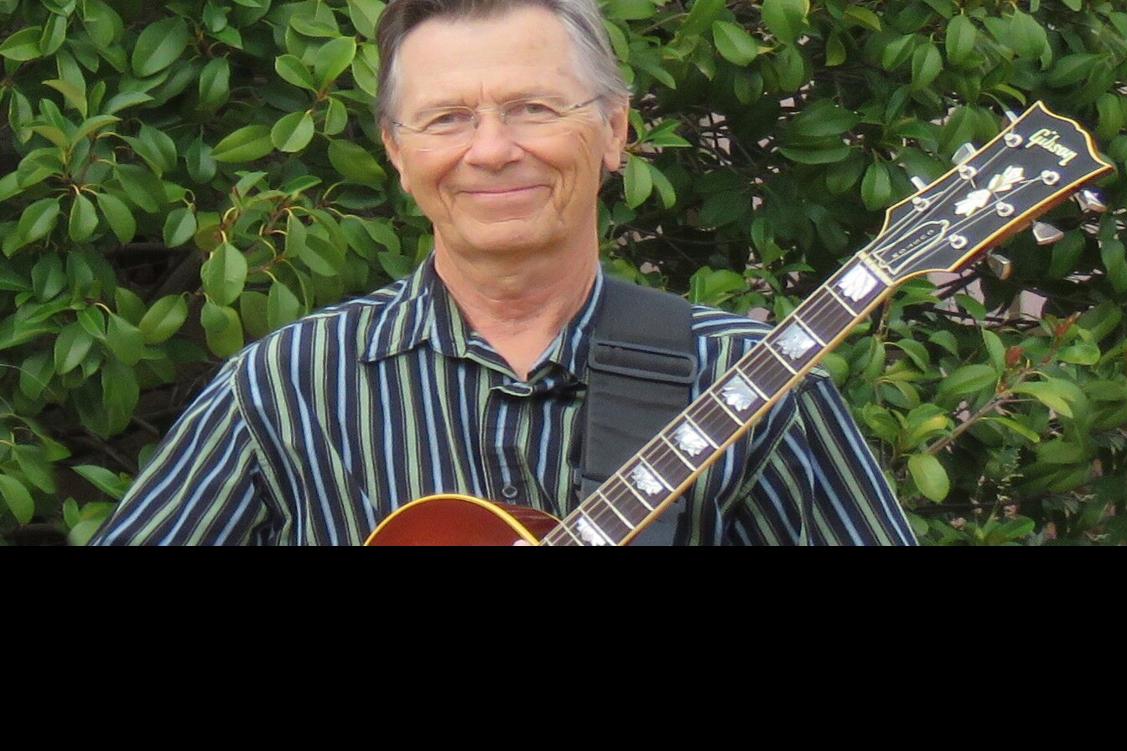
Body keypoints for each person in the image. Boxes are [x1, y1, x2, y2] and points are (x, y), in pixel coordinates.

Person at [90, 0, 917, 545]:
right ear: (398, 152)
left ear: (614, 130)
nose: (490, 150)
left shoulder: (750, 379)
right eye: (448, 118)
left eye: (533, 107)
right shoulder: (289, 384)